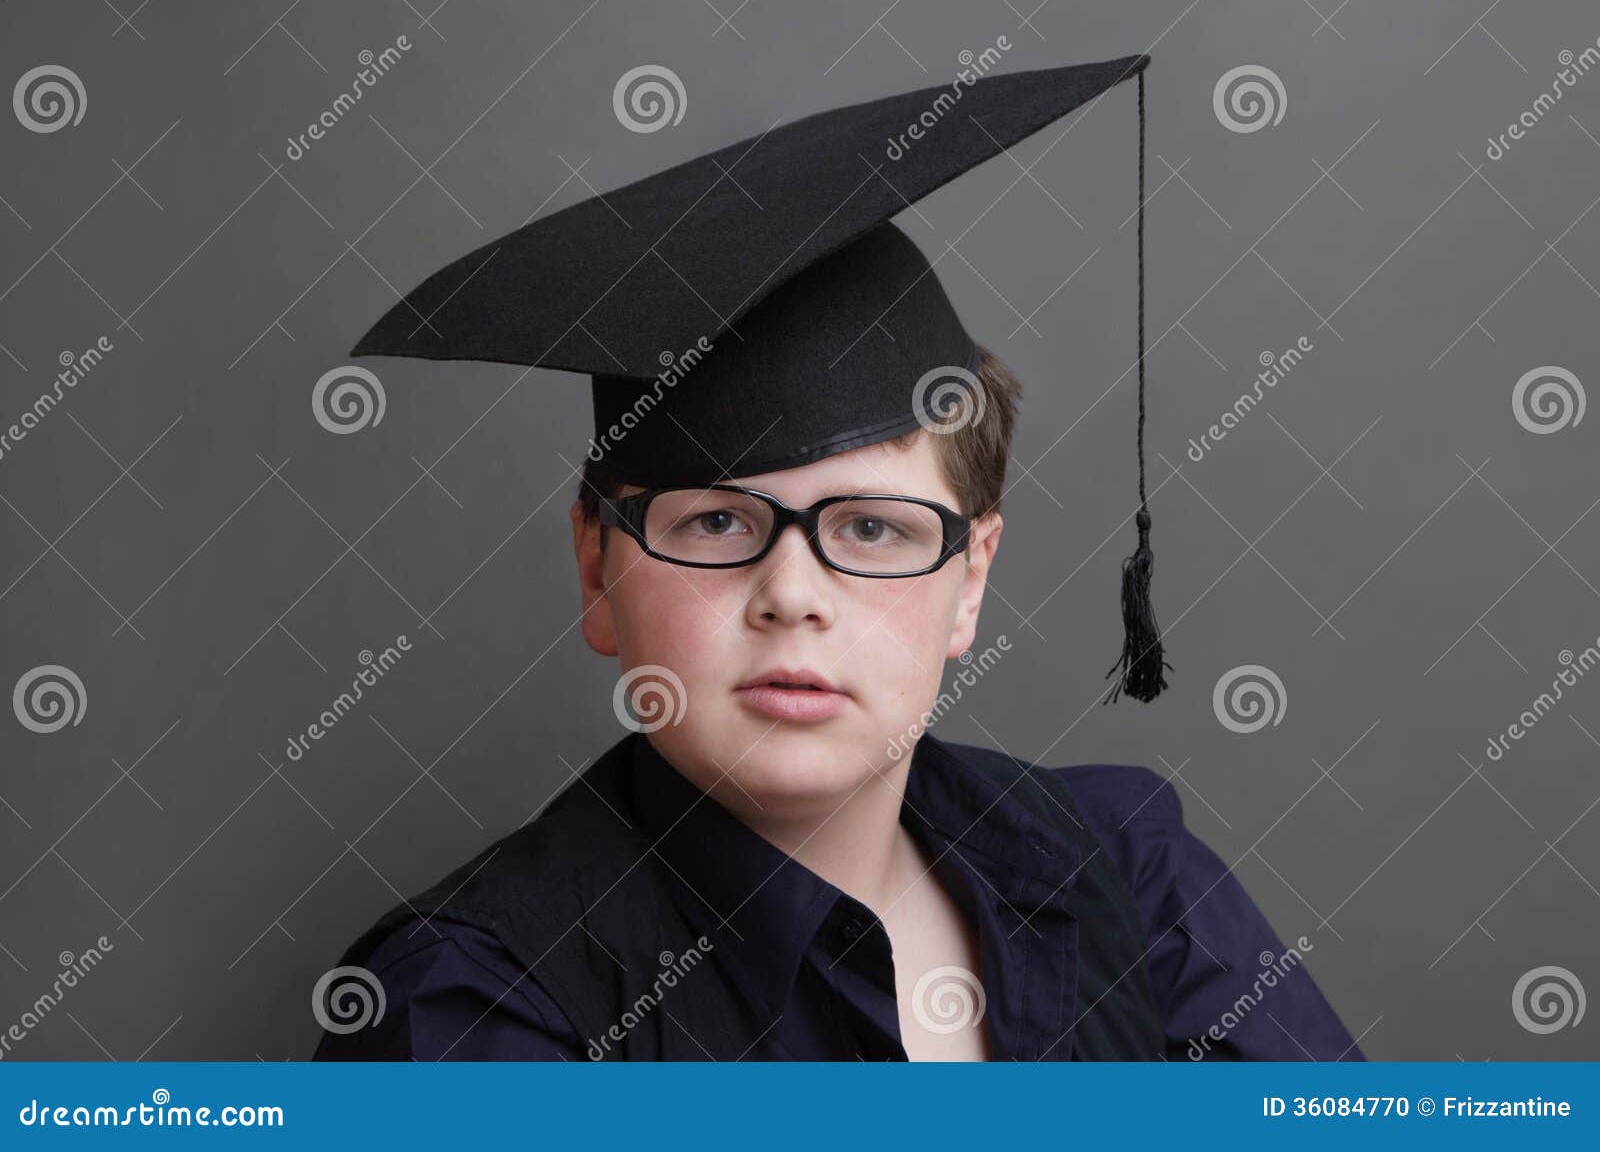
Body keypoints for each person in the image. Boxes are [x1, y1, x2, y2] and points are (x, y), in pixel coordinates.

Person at [312, 53, 1364, 1062]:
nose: (792, 595)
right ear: (599, 570)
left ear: (971, 579)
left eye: (873, 529)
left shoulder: (1126, 876)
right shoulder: (481, 1012)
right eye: (717, 522)